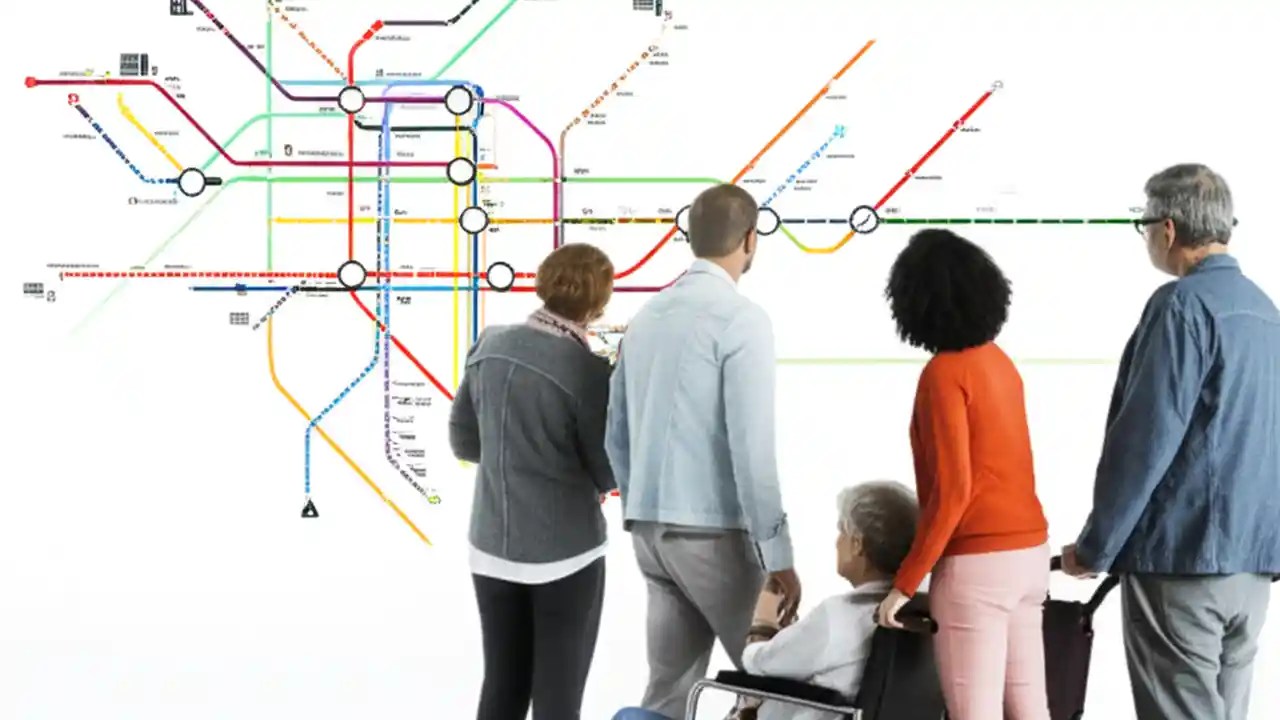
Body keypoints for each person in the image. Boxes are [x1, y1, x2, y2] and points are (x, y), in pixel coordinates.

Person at [1060, 163, 1280, 720]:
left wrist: (1095, 546)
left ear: (1169, 229)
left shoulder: (1181, 305)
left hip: (1182, 559)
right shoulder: (1265, 313)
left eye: (1145, 224)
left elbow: (1146, 439)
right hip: (1252, 567)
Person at [604, 183, 800, 719]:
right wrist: (778, 556)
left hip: (650, 533)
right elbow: (751, 448)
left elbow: (614, 434)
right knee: (779, 684)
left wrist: (639, 511)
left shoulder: (646, 319)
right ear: (750, 240)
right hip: (713, 535)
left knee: (668, 692)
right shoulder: (741, 321)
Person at [874, 228, 1051, 720]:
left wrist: (905, 584)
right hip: (1030, 556)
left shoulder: (943, 374)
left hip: (977, 566)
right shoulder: (1001, 364)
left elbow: (954, 492)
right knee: (1031, 710)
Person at [448, 242, 617, 720]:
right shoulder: (588, 372)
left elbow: (464, 443)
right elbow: (605, 470)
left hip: (490, 545)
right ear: (597, 304)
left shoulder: (489, 344)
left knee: (502, 686)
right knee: (557, 698)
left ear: (542, 284)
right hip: (564, 555)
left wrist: (516, 455)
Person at [732, 482, 919, 720]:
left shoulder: (838, 617)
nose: (836, 541)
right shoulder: (920, 613)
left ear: (857, 544)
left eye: (841, 530)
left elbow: (760, 664)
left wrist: (764, 621)